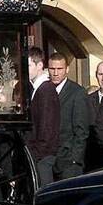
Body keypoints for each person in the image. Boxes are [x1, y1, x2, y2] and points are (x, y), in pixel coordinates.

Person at [48, 52, 88, 180]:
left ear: (67, 69)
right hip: (48, 160)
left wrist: (74, 159)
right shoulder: (44, 91)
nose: (55, 73)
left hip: (69, 161)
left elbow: (81, 130)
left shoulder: (77, 93)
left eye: (59, 69)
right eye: (52, 69)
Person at [25, 48, 61, 186]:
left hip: (43, 155)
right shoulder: (38, 89)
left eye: (28, 65)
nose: (25, 69)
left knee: (43, 190)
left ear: (39, 65)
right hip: (40, 154)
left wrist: (37, 153)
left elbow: (47, 125)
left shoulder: (46, 90)